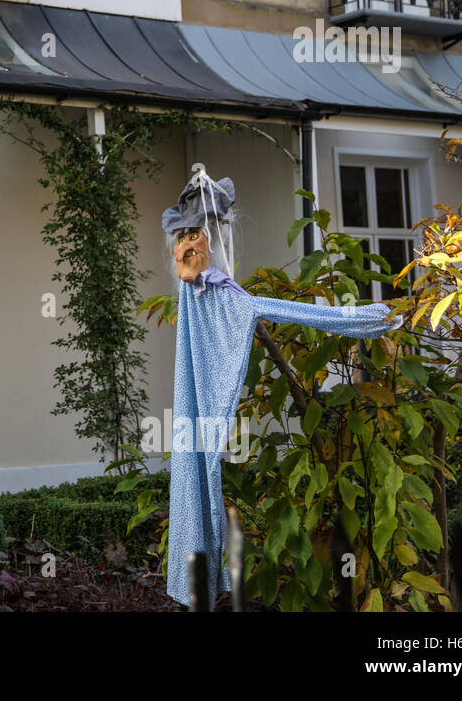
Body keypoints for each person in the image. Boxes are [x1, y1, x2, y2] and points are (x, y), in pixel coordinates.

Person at [161, 167, 402, 607]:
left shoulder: (227, 297)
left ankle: (204, 576)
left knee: (200, 464)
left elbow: (290, 311)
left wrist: (367, 318)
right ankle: (199, 575)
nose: (184, 248)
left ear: (210, 239)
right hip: (194, 417)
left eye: (193, 237)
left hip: (206, 408)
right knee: (194, 465)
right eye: (181, 238)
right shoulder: (196, 295)